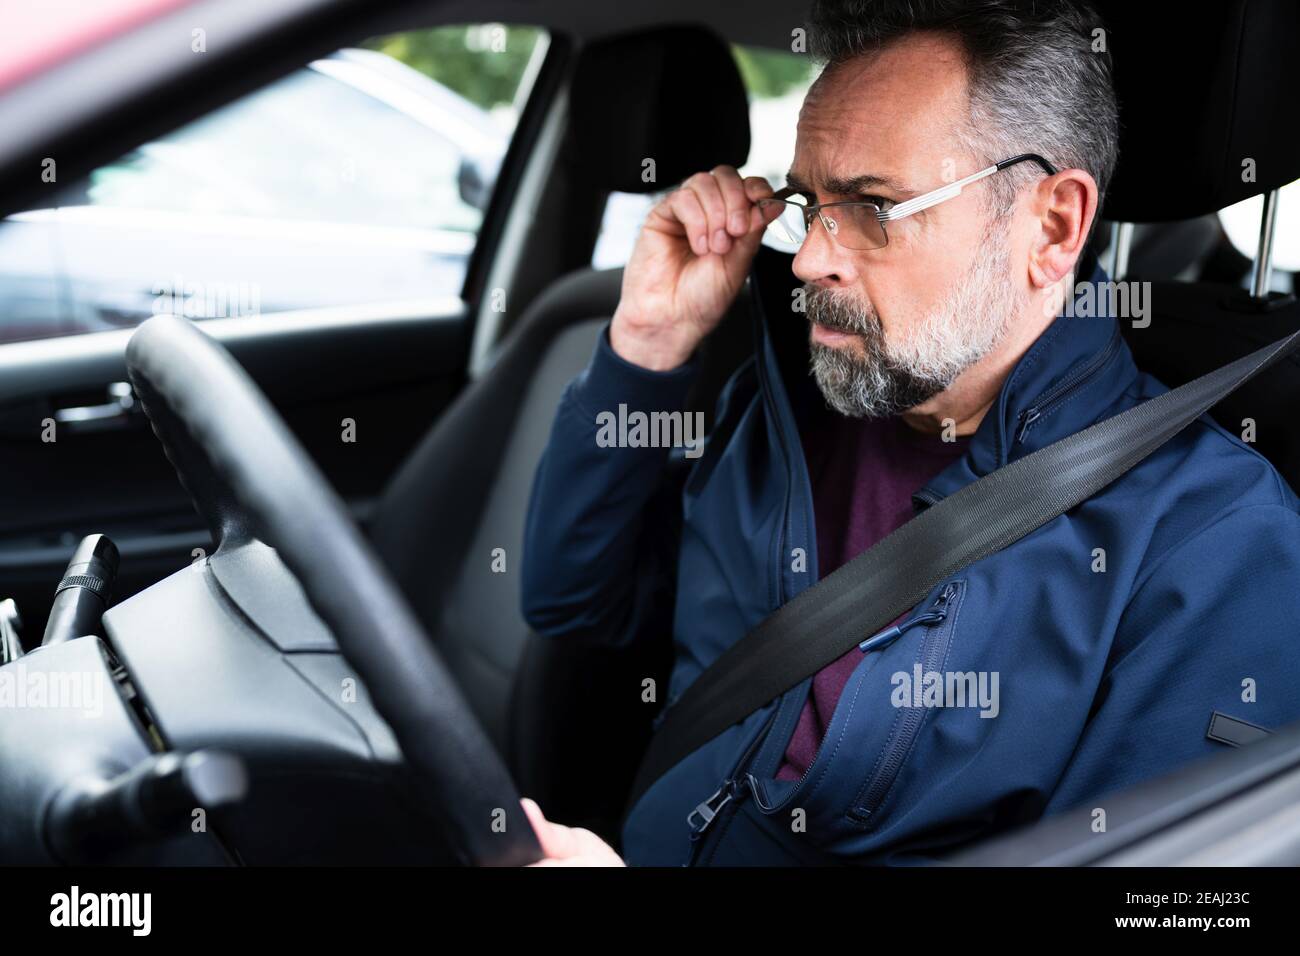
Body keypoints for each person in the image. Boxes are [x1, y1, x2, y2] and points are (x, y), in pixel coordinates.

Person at [519, 0, 1300, 865]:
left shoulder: (1210, 541)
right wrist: (649, 348)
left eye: (872, 207)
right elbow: (574, 603)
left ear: (1052, 225)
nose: (811, 259)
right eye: (807, 203)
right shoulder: (788, 405)